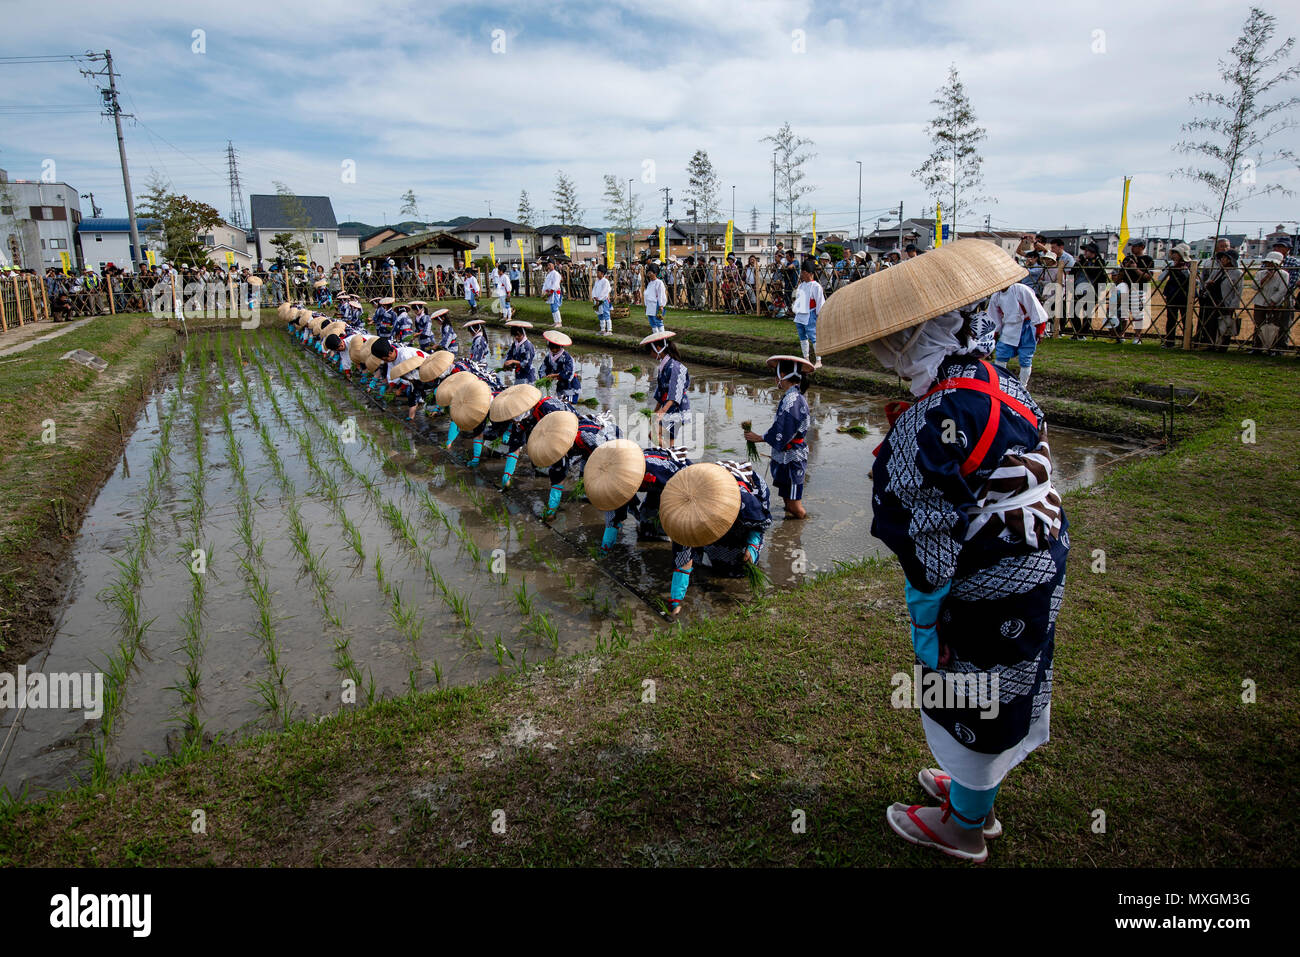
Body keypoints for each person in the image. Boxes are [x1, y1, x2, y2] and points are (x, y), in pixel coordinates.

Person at [820, 241, 1068, 863]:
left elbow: (922, 529)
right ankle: (970, 794)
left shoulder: (932, 414)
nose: (885, 353)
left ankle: (963, 824)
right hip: (1041, 551)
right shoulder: (996, 380)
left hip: (989, 573)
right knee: (1011, 678)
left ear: (911, 340)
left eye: (893, 342)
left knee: (969, 684)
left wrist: (925, 611)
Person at [658, 460, 773, 614]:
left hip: (733, 494)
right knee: (700, 561)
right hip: (706, 482)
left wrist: (751, 548)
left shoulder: (745, 502)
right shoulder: (683, 519)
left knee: (736, 569)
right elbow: (683, 561)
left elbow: (759, 526)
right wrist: (675, 601)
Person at [743, 355, 812, 519]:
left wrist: (760, 437)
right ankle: (789, 535)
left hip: (793, 457)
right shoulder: (791, 396)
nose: (775, 379)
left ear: (783, 376)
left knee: (795, 507)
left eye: (777, 374)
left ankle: (800, 533)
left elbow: (784, 429)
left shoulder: (793, 400)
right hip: (785, 456)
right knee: (788, 504)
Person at [987, 278, 1049, 386]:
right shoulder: (995, 296)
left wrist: (1040, 329)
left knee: (1026, 357)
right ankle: (1000, 384)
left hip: (1027, 327)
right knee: (1001, 354)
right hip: (1008, 328)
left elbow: (1035, 308)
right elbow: (994, 318)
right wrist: (993, 335)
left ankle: (1023, 386)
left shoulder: (1021, 290)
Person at [644, 330, 690, 445]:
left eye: (650, 351)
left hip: (676, 408)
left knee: (655, 435)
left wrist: (661, 412)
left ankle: (671, 454)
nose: (650, 354)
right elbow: (660, 392)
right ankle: (671, 455)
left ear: (658, 348)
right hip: (667, 406)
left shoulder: (674, 367)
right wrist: (655, 412)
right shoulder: (663, 367)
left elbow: (675, 393)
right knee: (667, 439)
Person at [1197, 249, 1243, 351]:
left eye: (1225, 258)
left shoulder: (1237, 273)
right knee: (1211, 324)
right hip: (1212, 299)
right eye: (1221, 257)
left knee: (1224, 324)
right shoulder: (1217, 270)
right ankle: (1211, 344)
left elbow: (1238, 291)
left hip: (1225, 301)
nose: (1222, 259)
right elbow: (1207, 282)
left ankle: (1222, 346)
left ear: (1230, 260)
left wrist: (1233, 305)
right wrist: (1208, 284)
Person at [1251, 252, 1291, 354]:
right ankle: (1257, 347)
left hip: (1275, 303)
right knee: (1259, 324)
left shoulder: (1284, 274)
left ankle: (1272, 348)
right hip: (1260, 302)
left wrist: (1273, 301)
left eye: (1272, 263)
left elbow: (1282, 290)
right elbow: (1255, 286)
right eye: (1268, 263)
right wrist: (1265, 279)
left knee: (1274, 326)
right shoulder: (1261, 273)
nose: (1269, 265)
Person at [791, 259, 825, 368]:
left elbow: (820, 302)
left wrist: (819, 316)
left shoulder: (816, 286)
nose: (802, 275)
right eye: (802, 272)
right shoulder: (801, 286)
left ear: (810, 273)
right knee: (802, 337)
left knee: (813, 337)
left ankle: (818, 360)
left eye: (804, 273)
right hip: (800, 314)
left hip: (810, 314)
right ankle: (806, 358)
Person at [1158, 244, 1192, 347]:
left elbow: (1193, 280)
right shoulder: (1171, 265)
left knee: (1186, 319)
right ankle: (1170, 341)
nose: (1174, 255)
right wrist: (1170, 268)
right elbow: (1160, 278)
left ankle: (1186, 342)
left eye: (1176, 253)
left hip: (1185, 295)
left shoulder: (1190, 265)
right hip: (1172, 294)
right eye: (1174, 253)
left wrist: (1184, 270)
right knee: (1171, 319)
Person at [540, 330, 581, 402]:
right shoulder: (548, 357)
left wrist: (554, 375)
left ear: (560, 347)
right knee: (560, 404)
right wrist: (544, 377)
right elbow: (543, 368)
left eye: (556, 348)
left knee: (568, 405)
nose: (554, 350)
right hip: (560, 385)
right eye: (552, 348)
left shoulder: (567, 357)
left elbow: (568, 372)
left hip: (569, 385)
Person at [643, 263, 668, 333]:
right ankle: (656, 337)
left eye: (650, 272)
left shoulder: (659, 283)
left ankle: (663, 338)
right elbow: (647, 295)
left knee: (658, 321)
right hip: (650, 305)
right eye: (648, 272)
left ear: (655, 273)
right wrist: (646, 306)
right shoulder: (650, 283)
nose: (649, 274)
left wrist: (661, 305)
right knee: (652, 322)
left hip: (656, 305)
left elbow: (660, 294)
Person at [592, 263, 613, 336]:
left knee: (606, 313)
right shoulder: (597, 281)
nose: (597, 274)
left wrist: (599, 299)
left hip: (603, 300)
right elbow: (594, 289)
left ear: (602, 273)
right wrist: (594, 296)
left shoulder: (605, 281)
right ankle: (602, 329)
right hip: (597, 300)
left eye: (598, 272)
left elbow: (605, 291)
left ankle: (609, 330)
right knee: (600, 314)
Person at [542, 260, 564, 327]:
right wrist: (544, 291)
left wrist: (551, 291)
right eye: (548, 265)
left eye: (550, 265)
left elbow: (556, 283)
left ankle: (559, 322)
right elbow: (546, 284)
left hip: (554, 292)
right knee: (552, 307)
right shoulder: (549, 274)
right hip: (549, 292)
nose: (549, 266)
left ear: (553, 265)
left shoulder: (556, 274)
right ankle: (555, 321)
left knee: (555, 307)